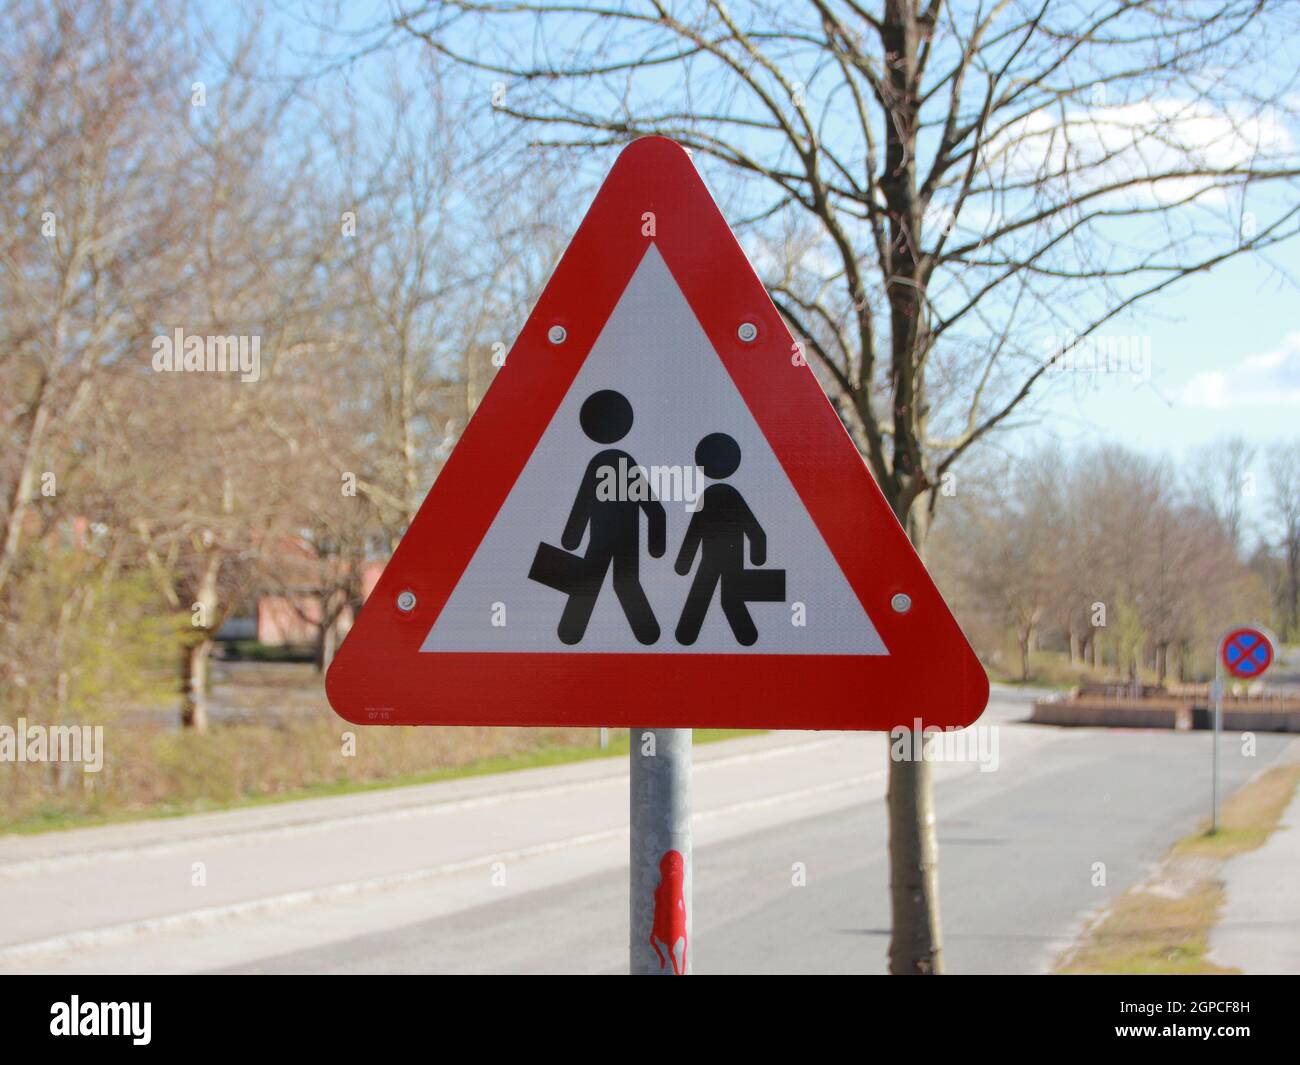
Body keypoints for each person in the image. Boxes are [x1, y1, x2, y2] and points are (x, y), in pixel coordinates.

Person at [528, 390, 665, 644]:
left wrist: (571, 538)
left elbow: (584, 503)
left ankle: (572, 632)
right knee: (624, 582)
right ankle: (649, 635)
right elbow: (654, 509)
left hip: (602, 539)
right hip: (622, 539)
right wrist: (656, 543)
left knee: (592, 583)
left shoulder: (603, 462)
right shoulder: (624, 461)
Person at [674, 432, 785, 646]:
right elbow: (755, 532)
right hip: (726, 558)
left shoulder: (714, 496)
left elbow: (694, 532)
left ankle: (689, 636)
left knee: (710, 595)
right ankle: (691, 636)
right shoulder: (726, 495)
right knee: (715, 596)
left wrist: (683, 563)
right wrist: (757, 555)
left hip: (722, 559)